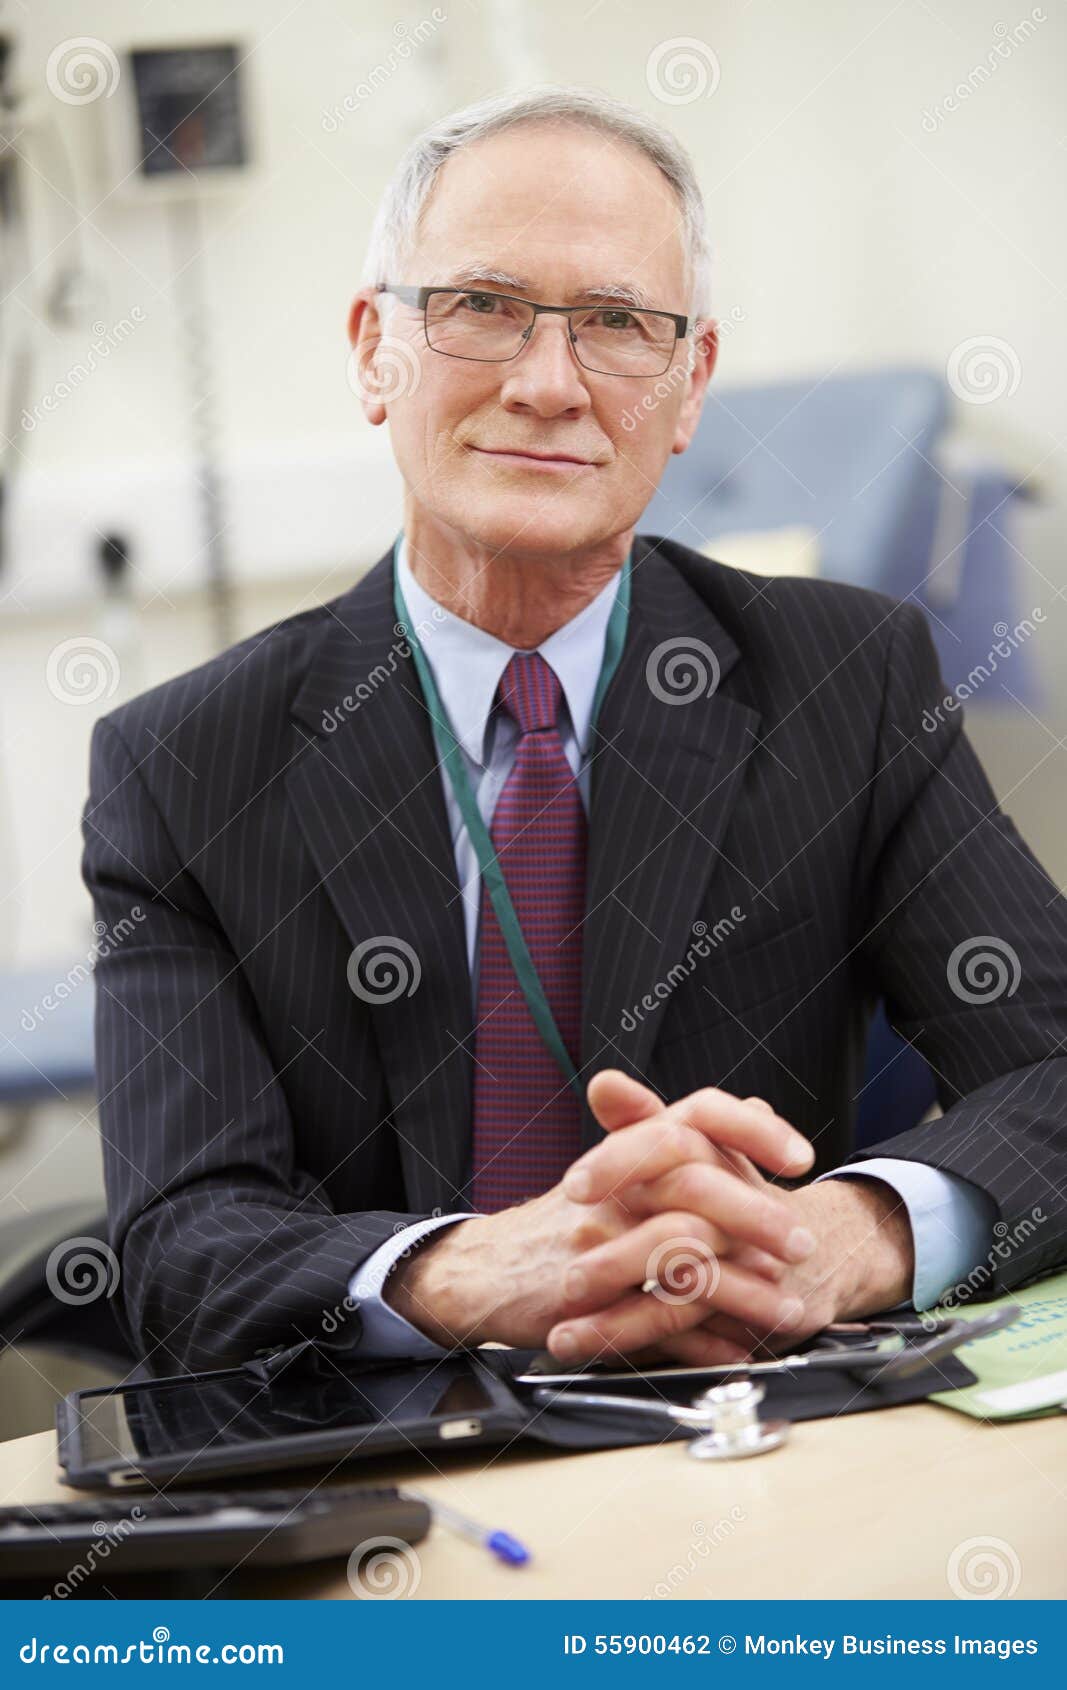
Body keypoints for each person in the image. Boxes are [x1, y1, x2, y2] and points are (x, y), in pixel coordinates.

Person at [82, 87, 1067, 1378]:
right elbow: (180, 1248)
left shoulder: (847, 680)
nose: (549, 385)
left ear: (690, 385)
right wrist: (473, 1269)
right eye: (483, 305)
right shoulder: (185, 766)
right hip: (394, 1441)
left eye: (618, 324)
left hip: (747, 1412)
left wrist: (847, 1234)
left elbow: (1054, 1069)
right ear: (375, 350)